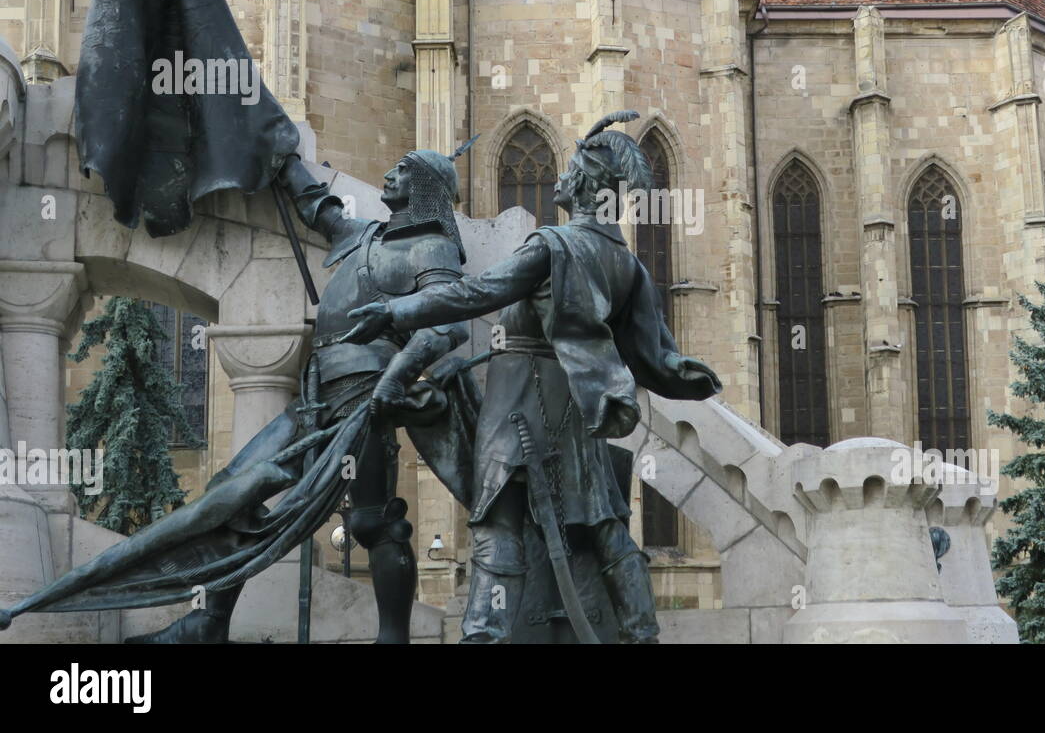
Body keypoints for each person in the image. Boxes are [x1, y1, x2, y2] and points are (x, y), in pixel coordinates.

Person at [0, 144, 476, 643]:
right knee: (234, 489)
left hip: (368, 396)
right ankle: (208, 621)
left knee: (374, 521)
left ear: (424, 186)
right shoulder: (364, 236)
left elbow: (447, 322)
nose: (388, 172)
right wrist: (284, 158)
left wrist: (397, 377)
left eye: (402, 170)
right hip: (315, 397)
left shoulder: (432, 247)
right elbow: (319, 208)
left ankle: (393, 638)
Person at [344, 111, 721, 643]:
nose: (560, 178)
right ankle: (643, 634)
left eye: (570, 170)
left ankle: (483, 635)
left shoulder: (553, 244)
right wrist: (691, 376)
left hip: (520, 400)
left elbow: (477, 294)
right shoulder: (626, 263)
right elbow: (656, 354)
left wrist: (395, 312)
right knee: (606, 529)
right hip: (577, 406)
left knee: (498, 526)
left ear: (588, 183)